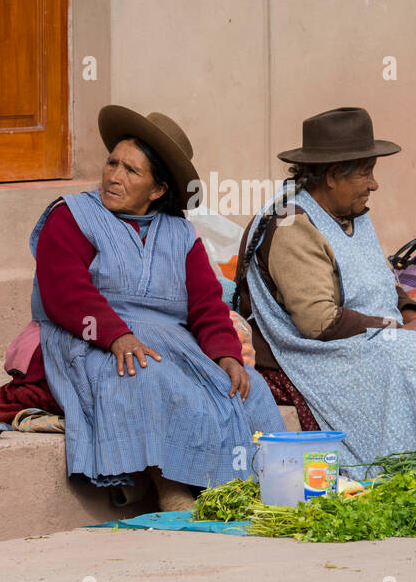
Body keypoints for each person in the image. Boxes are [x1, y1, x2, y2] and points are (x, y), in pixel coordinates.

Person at [26, 106, 285, 511]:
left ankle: (259, 487)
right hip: (91, 337)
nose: (113, 176)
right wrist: (115, 335)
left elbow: (206, 304)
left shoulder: (181, 234)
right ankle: (173, 489)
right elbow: (63, 291)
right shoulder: (72, 215)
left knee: (247, 389)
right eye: (112, 162)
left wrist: (227, 355)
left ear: (157, 190)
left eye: (131, 171)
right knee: (148, 375)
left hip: (173, 344)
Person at [236, 107, 416, 470]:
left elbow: (383, 280)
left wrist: (411, 315)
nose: (374, 184)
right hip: (317, 351)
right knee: (407, 355)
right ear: (331, 176)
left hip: (373, 333)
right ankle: (410, 465)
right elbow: (318, 323)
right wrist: (396, 330)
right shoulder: (293, 225)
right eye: (365, 172)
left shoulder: (351, 212)